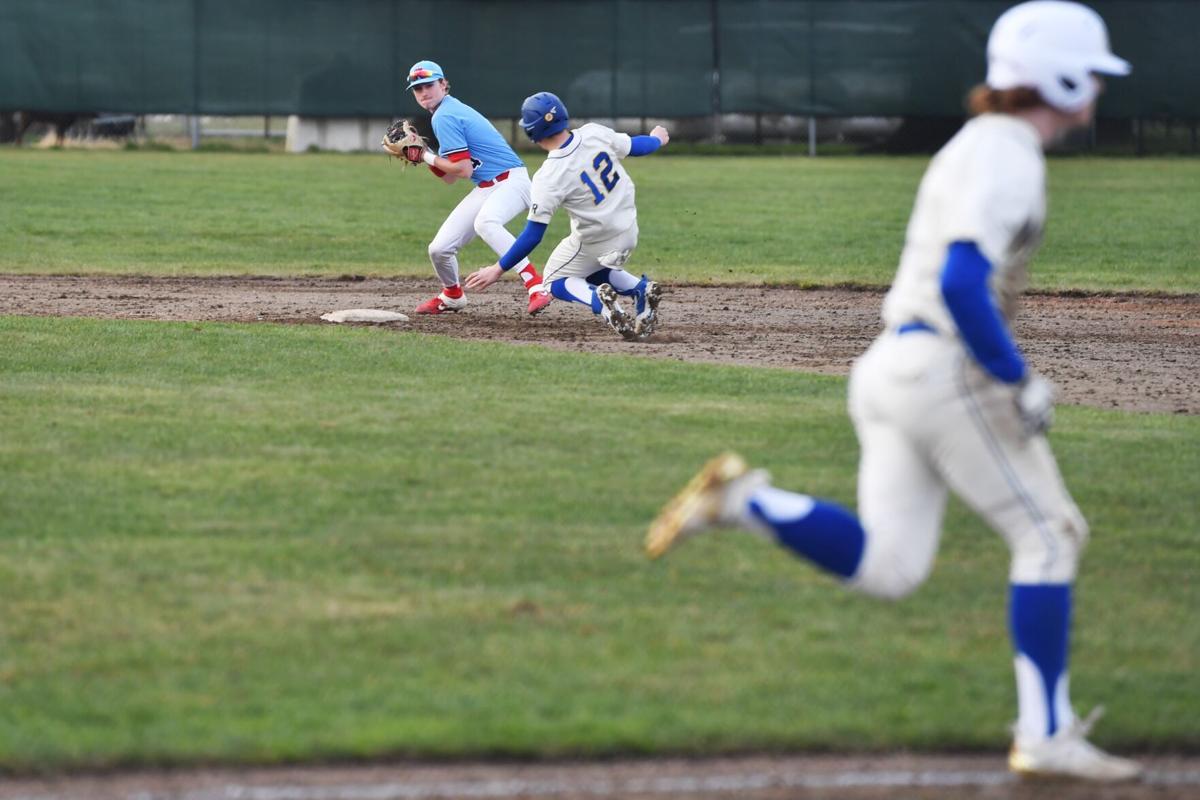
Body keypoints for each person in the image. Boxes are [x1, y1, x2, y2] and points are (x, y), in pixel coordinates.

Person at [645, 1, 1140, 783]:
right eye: (1092, 74)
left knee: (890, 567)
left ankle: (744, 500)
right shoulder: (1008, 153)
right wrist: (1015, 376)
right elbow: (962, 282)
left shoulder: (983, 142)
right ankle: (1045, 735)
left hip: (890, 369)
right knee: (1050, 536)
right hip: (944, 371)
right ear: (1063, 79)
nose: (1100, 89)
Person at [464, 92, 666, 339]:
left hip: (596, 238)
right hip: (628, 229)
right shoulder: (594, 132)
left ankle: (600, 301)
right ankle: (640, 289)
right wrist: (656, 139)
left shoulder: (548, 176)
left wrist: (498, 268)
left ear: (532, 132)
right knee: (584, 269)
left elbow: (533, 235)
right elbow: (636, 146)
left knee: (553, 280)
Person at [402, 60, 551, 316]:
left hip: (511, 181)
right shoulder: (446, 112)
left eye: (429, 85)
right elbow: (450, 177)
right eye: (418, 88)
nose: (424, 92)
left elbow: (462, 171)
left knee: (486, 222)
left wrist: (426, 155)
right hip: (487, 186)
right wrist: (424, 156)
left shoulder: (445, 115)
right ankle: (452, 295)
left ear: (443, 84)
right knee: (439, 249)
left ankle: (535, 285)